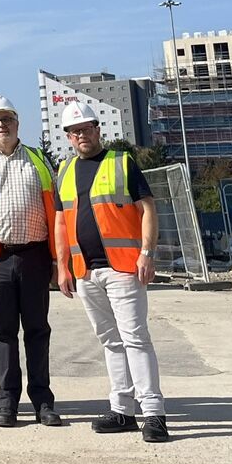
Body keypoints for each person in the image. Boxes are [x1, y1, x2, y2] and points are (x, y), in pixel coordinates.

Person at [56, 99, 169, 443]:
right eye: (75, 132)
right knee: (110, 341)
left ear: (97, 130)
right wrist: (63, 266)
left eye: (87, 129)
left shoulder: (121, 162)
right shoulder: (64, 171)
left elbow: (146, 208)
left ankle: (154, 413)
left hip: (123, 267)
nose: (82, 136)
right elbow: (62, 221)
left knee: (135, 338)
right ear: (69, 138)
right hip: (86, 271)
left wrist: (147, 252)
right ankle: (122, 410)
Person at [0, 94, 70, 428]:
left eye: (6, 119)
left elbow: (57, 212)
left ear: (17, 122)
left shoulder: (37, 159)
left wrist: (56, 260)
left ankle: (43, 401)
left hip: (35, 256)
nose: (1, 125)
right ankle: (7, 403)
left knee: (37, 330)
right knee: (3, 333)